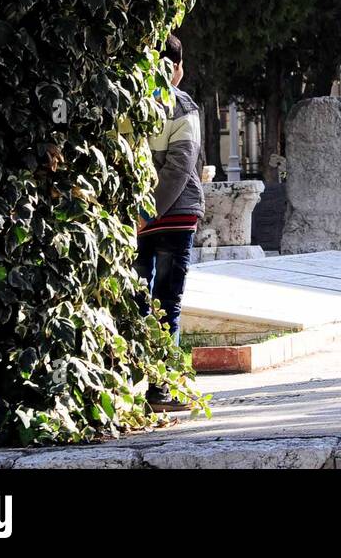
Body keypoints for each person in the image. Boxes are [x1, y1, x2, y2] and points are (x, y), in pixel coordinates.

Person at [138, 33, 204, 411]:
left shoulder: (129, 103)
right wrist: (151, 213)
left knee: (138, 300)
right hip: (175, 216)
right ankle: (162, 391)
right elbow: (180, 166)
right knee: (166, 304)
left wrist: (137, 214)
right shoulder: (182, 106)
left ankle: (137, 388)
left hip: (134, 220)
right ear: (175, 67)